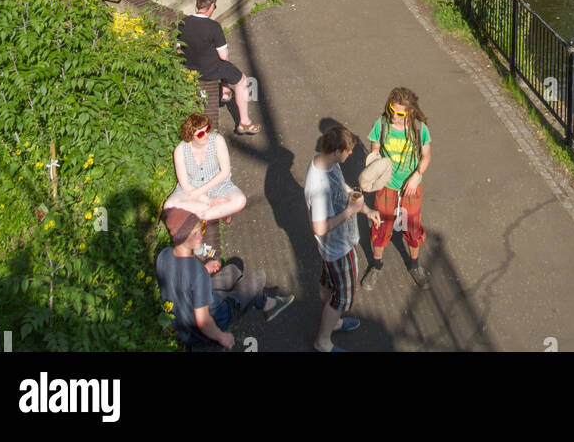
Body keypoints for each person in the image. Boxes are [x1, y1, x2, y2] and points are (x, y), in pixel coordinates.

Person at [156, 207, 293, 350]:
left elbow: (183, 279)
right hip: (215, 318)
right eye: (195, 233)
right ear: (182, 237)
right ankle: (267, 304)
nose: (201, 236)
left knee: (233, 270)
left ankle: (266, 304)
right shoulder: (197, 273)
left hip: (185, 324)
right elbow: (203, 321)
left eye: (201, 228)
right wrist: (221, 336)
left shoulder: (163, 255)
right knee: (258, 278)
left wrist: (205, 269)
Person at [304, 124, 380, 353]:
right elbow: (318, 227)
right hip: (337, 249)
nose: (350, 154)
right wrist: (350, 212)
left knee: (328, 283)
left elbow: (343, 188)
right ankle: (323, 342)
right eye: (348, 151)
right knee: (343, 296)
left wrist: (365, 210)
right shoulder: (319, 185)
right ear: (337, 151)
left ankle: (333, 321)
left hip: (333, 249)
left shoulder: (326, 162)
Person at [362, 87, 431, 291]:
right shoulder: (382, 124)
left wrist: (417, 176)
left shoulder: (419, 129)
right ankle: (376, 265)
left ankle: (415, 266)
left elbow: (426, 156)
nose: (394, 116)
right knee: (381, 226)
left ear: (409, 112)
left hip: (410, 187)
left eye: (399, 113)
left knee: (412, 227)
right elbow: (375, 149)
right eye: (392, 110)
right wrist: (373, 163)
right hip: (386, 186)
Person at [178, 0, 259, 135]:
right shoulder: (214, 27)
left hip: (189, 67)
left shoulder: (183, 22)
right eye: (214, 7)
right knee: (242, 80)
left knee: (224, 68)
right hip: (209, 70)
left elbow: (178, 49)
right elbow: (223, 57)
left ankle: (225, 90)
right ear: (211, 6)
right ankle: (244, 123)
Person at [163, 113, 246, 226]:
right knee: (169, 206)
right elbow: (185, 184)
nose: (206, 135)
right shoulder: (180, 150)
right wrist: (208, 200)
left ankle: (202, 216)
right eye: (201, 133)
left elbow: (225, 172)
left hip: (218, 185)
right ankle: (218, 211)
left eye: (207, 129)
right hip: (191, 189)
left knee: (240, 200)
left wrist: (200, 193)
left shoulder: (217, 140)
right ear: (191, 135)